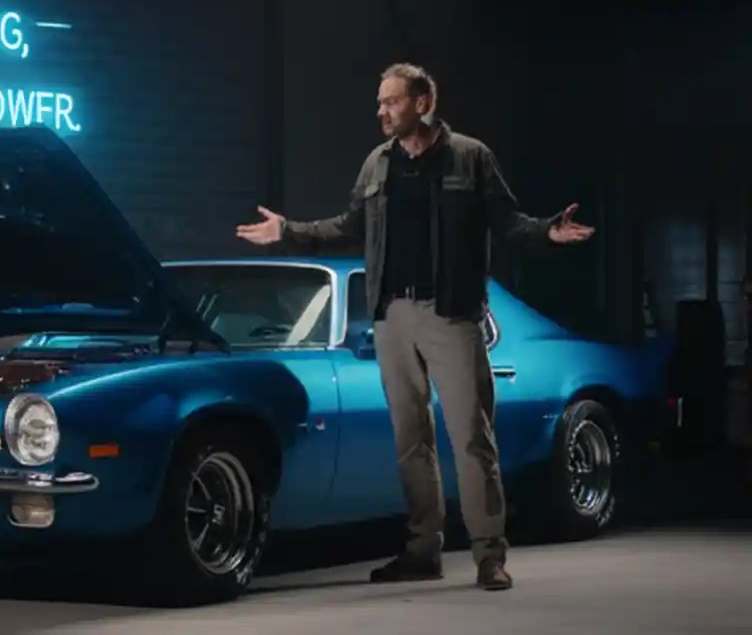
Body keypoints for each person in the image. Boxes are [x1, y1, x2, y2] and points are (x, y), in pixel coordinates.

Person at [235, 63, 594, 591]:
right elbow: (349, 225)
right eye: (380, 102)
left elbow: (509, 223)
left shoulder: (470, 157)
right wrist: (287, 230)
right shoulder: (377, 163)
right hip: (393, 316)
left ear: (422, 102)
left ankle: (489, 556)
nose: (381, 112)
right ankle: (423, 550)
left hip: (451, 315)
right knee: (410, 440)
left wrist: (547, 233)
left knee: (472, 439)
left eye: (391, 102)